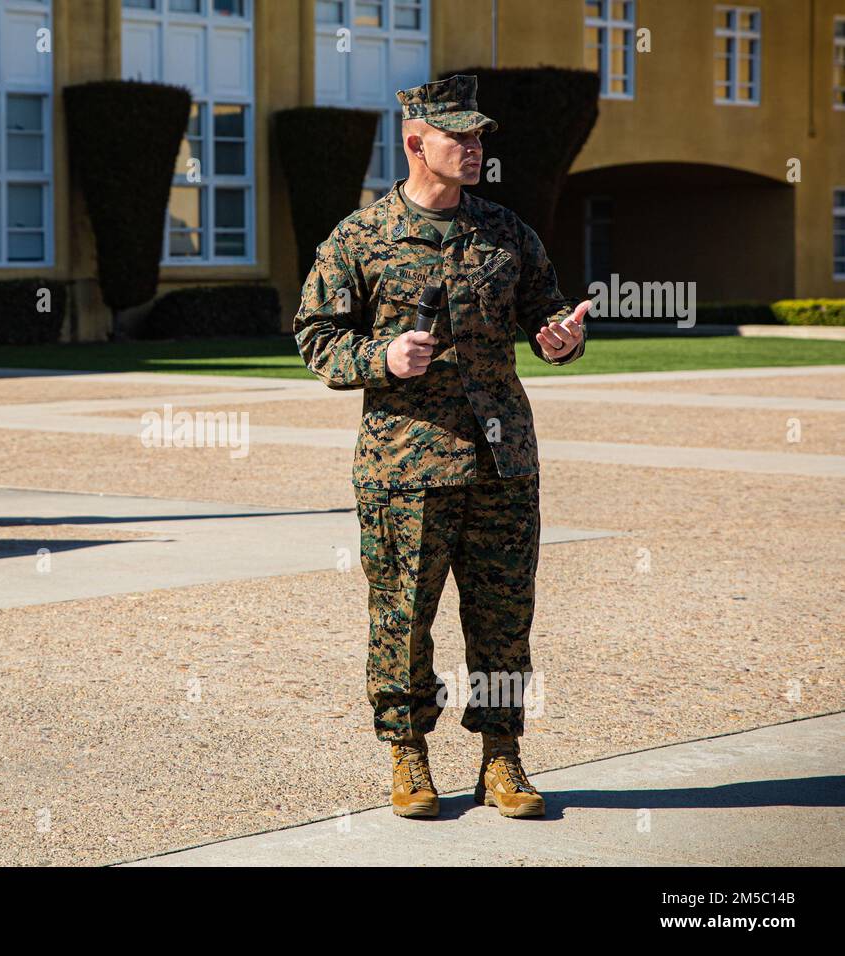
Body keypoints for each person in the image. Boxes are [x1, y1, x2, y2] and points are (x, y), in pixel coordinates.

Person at [293, 75, 588, 820]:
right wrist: (381, 360)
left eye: (480, 136)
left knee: (503, 618)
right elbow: (316, 337)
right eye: (461, 136)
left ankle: (502, 757)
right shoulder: (359, 238)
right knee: (401, 615)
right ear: (415, 140)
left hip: (502, 465)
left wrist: (559, 338)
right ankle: (408, 755)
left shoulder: (506, 231)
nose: (475, 148)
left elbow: (545, 310)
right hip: (406, 465)